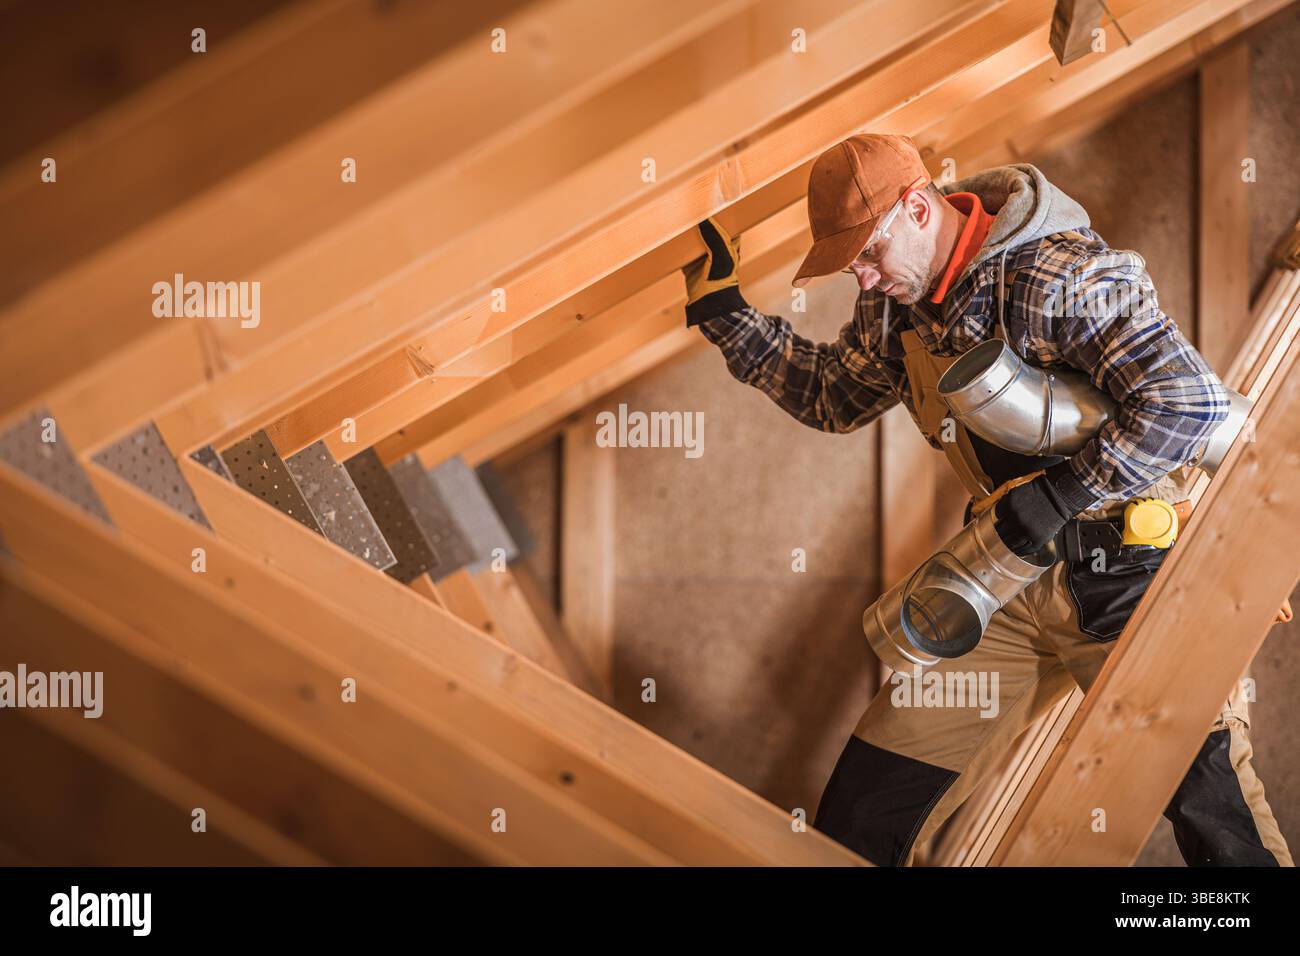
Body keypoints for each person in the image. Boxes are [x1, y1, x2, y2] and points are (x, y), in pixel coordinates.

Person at [680, 133, 1292, 867]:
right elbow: (830, 397)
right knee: (862, 816)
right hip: (1002, 581)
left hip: (1127, 573)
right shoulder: (894, 311)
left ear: (916, 207)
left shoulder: (1061, 273)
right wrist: (724, 314)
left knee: (1215, 824)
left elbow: (1183, 403)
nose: (864, 281)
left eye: (868, 255)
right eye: (852, 268)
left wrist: (1062, 496)